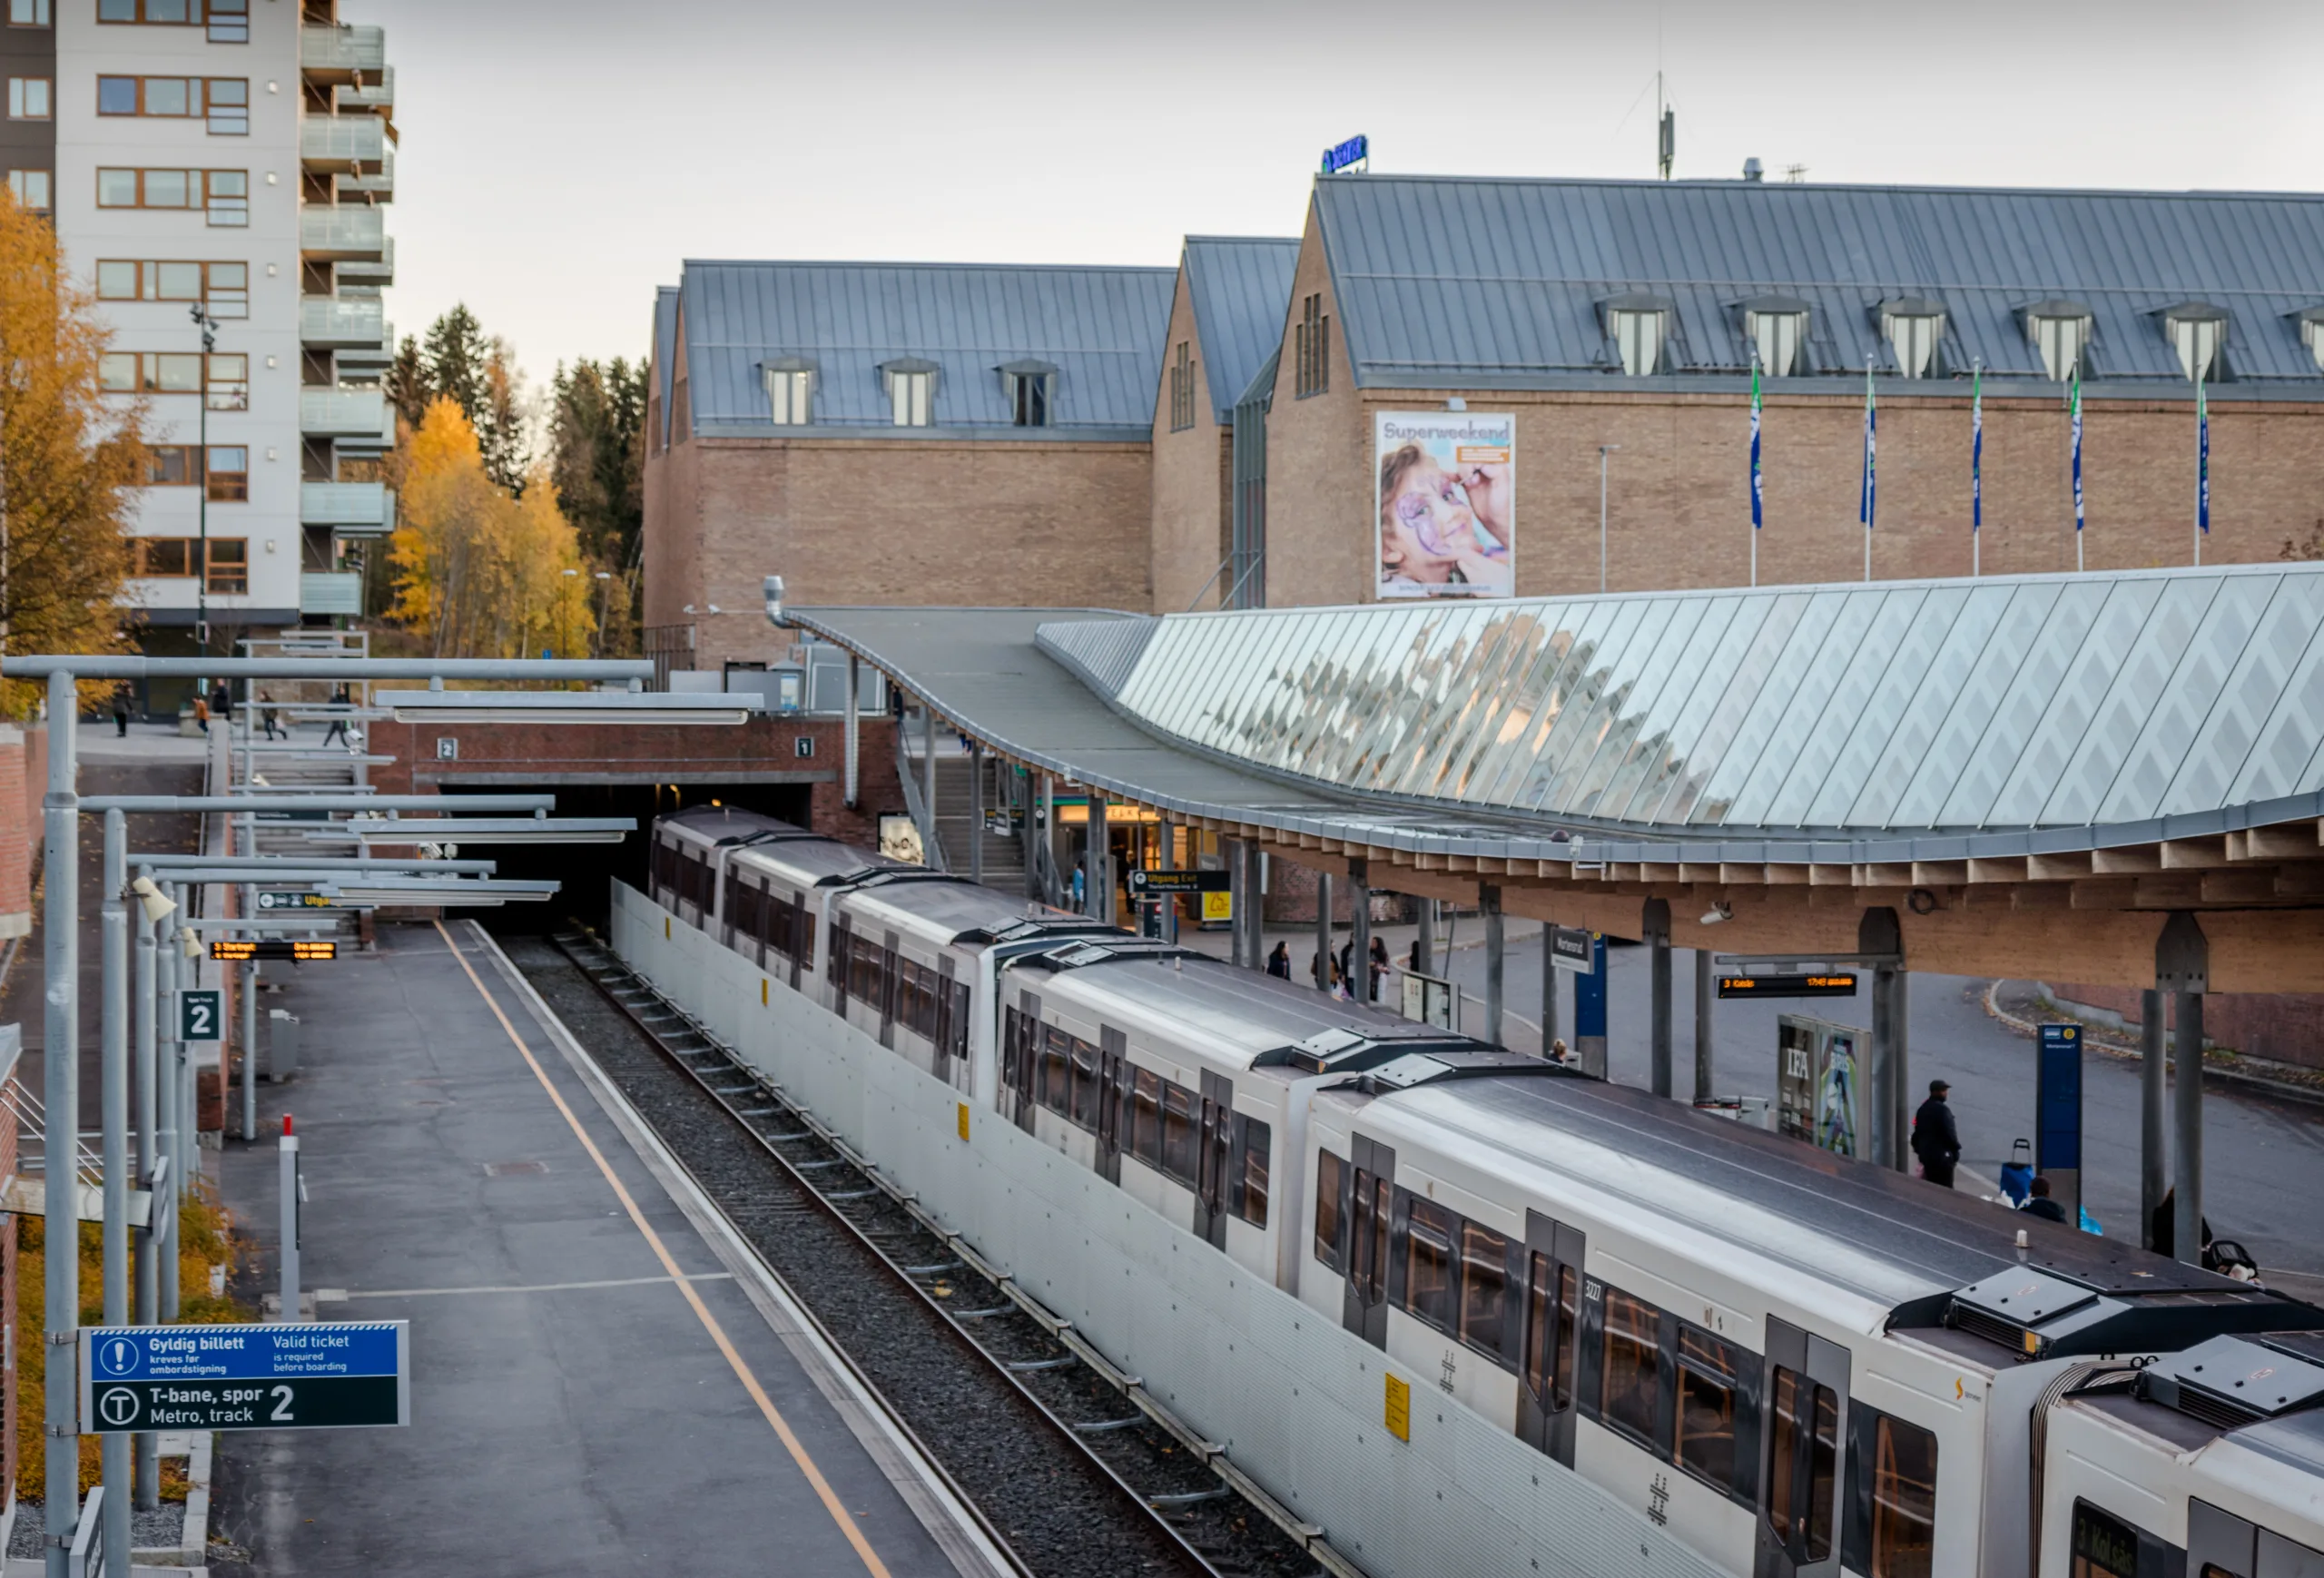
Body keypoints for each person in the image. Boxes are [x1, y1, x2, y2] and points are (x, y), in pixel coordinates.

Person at [1377, 443, 1514, 596]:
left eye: (1447, 495)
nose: (1451, 512)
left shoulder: (1463, 581)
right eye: (1421, 510)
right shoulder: (1395, 594)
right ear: (1387, 549)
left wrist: (1502, 525)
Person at [1910, 1079, 1961, 1188]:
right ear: (1935, 1092)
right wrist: (1955, 1152)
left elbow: (1917, 1133)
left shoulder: (1922, 1109)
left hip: (1926, 1158)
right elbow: (1950, 1134)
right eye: (1943, 1090)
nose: (1946, 1093)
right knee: (1946, 1191)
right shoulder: (1943, 1111)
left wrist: (1920, 1151)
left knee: (1929, 1188)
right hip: (1942, 1159)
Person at [320, 683, 352, 747]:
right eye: (342, 691)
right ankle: (345, 744)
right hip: (336, 717)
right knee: (340, 731)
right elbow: (329, 707)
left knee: (332, 731)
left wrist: (348, 711)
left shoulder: (343, 699)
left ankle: (325, 743)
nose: (343, 692)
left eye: (344, 691)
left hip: (340, 718)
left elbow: (346, 708)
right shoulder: (334, 699)